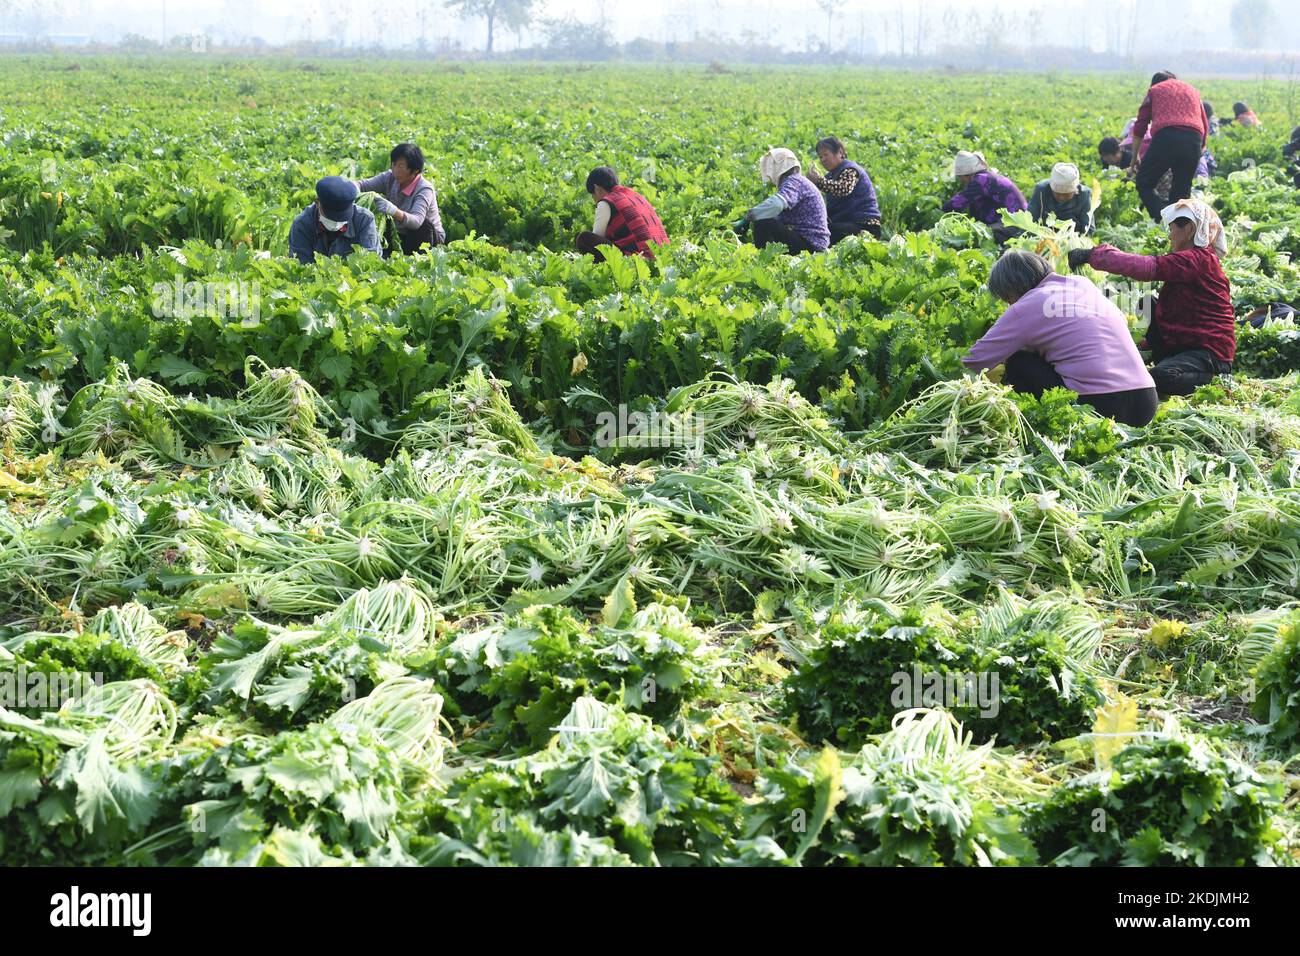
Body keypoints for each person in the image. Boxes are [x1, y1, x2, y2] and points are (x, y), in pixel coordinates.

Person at [963, 250, 1157, 426]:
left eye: (1007, 298)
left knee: (1017, 361)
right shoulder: (1083, 285)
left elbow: (974, 361)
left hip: (1098, 407)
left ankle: (1032, 425)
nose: (1008, 304)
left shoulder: (1027, 305)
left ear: (1012, 289)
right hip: (1145, 402)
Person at [1070, 198, 1234, 397]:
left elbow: (1145, 268)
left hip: (1209, 351)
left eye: (1172, 228)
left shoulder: (1198, 260)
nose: (1170, 235)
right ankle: (1162, 355)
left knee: (1160, 377)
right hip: (1185, 341)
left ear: (1189, 229)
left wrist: (1093, 255)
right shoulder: (1195, 258)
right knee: (1148, 303)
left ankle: (1215, 379)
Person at [1130, 71, 1208, 221]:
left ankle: (1163, 220)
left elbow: (1140, 125)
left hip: (1167, 136)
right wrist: (1199, 149)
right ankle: (1179, 230)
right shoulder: (1192, 91)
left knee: (1144, 182)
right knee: (1181, 194)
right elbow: (1204, 123)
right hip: (1194, 139)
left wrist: (1134, 158)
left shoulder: (1154, 91)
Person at [355, 143, 445, 256]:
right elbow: (362, 185)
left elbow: (416, 222)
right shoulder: (389, 178)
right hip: (398, 232)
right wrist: (349, 188)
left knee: (424, 225)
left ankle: (416, 257)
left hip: (427, 237)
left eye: (401, 166)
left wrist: (393, 210)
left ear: (415, 170)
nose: (395, 170)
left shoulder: (424, 189)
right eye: (394, 164)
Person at [738, 148, 830, 254]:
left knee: (762, 222)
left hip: (811, 245)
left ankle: (764, 262)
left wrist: (750, 216)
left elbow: (776, 204)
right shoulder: (796, 181)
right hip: (811, 242)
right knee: (765, 220)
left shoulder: (794, 181)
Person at [575, 166, 668, 258]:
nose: (594, 200)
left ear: (597, 189)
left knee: (584, 239)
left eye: (592, 195)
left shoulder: (606, 202)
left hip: (639, 258)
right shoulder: (637, 196)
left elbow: (598, 239)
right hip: (663, 256)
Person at [806, 136, 882, 243]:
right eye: (820, 157)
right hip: (846, 224)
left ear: (840, 153)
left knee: (822, 234)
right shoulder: (830, 176)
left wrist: (819, 181)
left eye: (826, 155)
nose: (823, 159)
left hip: (865, 226)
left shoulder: (850, 169)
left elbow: (843, 189)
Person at [288, 176, 380, 264]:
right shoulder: (302, 224)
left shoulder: (364, 220)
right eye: (331, 216)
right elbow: (301, 265)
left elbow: (371, 260)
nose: (336, 222)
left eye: (342, 217)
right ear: (317, 203)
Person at [942, 150, 1028, 243]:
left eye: (960, 177)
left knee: (979, 235)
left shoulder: (982, 180)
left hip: (1015, 224)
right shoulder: (986, 176)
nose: (961, 180)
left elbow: (955, 204)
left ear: (966, 175)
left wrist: (940, 214)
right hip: (1017, 220)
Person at [1028, 163, 1093, 235]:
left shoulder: (1084, 195)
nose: (1061, 197)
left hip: (1072, 237)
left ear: (1075, 191)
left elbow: (1088, 227)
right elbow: (1030, 219)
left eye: (1066, 195)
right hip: (1044, 235)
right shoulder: (1041, 190)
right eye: (1057, 194)